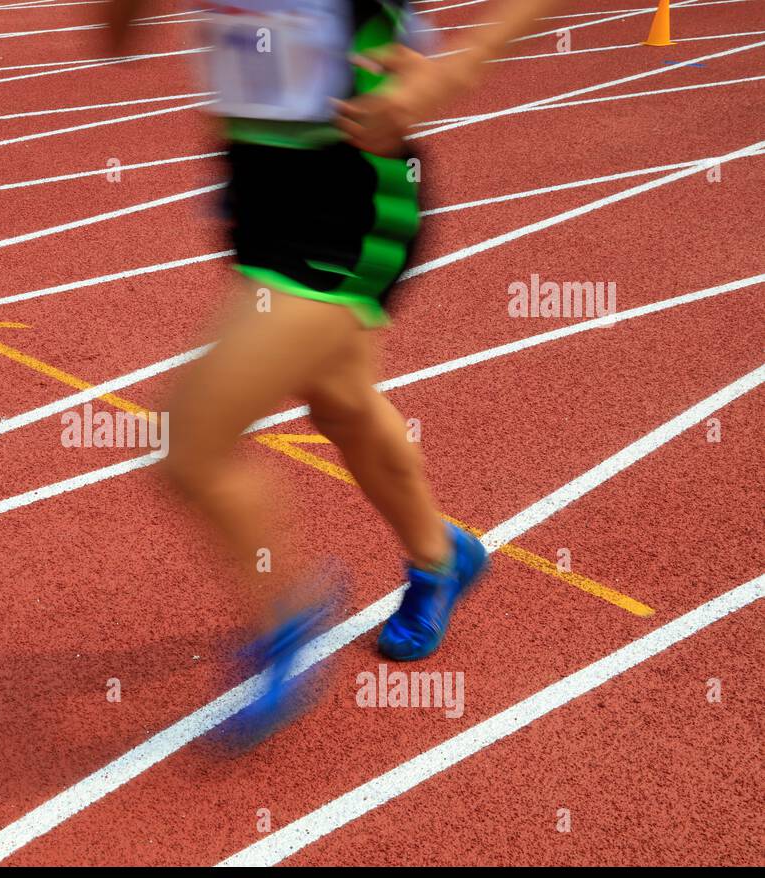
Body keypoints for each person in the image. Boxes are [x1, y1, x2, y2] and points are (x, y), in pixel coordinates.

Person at [105, 0, 565, 725]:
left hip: (348, 204)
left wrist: (449, 72)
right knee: (341, 403)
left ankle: (289, 616)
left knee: (189, 445)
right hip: (255, 198)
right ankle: (440, 557)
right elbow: (114, 37)